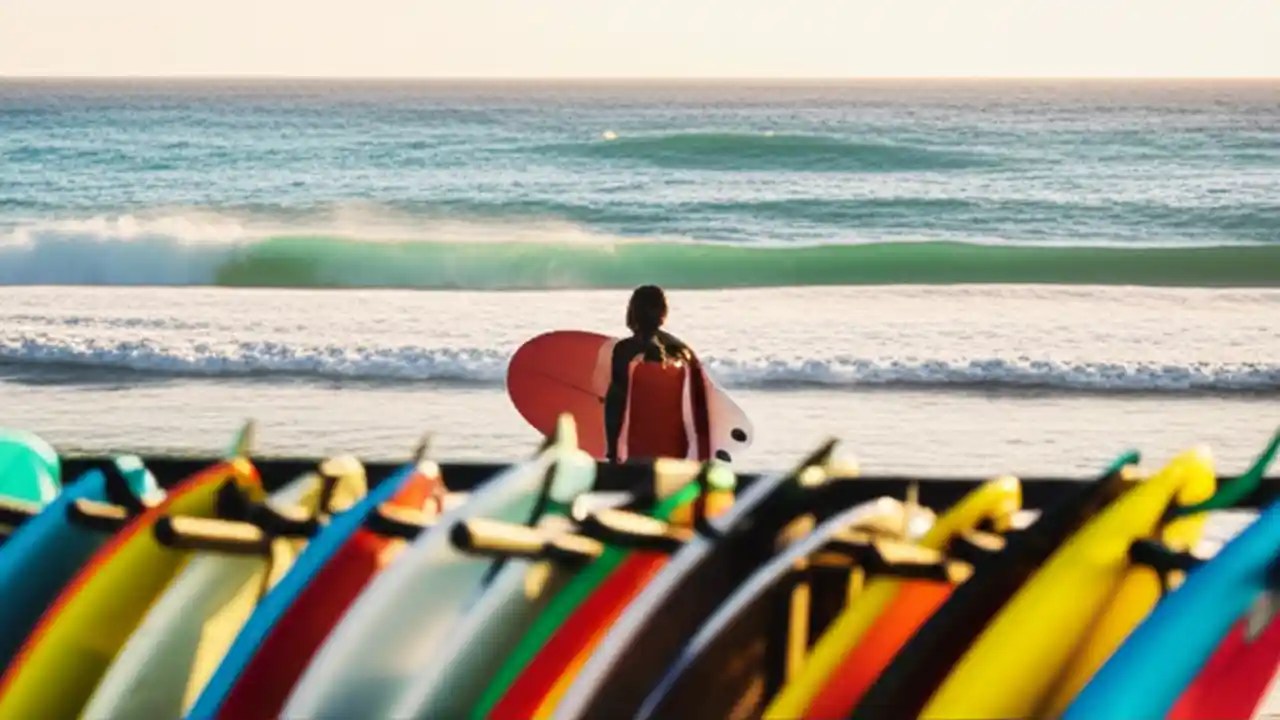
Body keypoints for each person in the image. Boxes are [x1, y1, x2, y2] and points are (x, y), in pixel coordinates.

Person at [604, 285, 710, 464]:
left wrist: (612, 451)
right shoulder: (683, 351)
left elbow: (616, 403)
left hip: (640, 445)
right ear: (664, 313)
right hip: (676, 445)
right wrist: (703, 456)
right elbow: (700, 404)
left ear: (632, 313)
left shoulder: (625, 350)